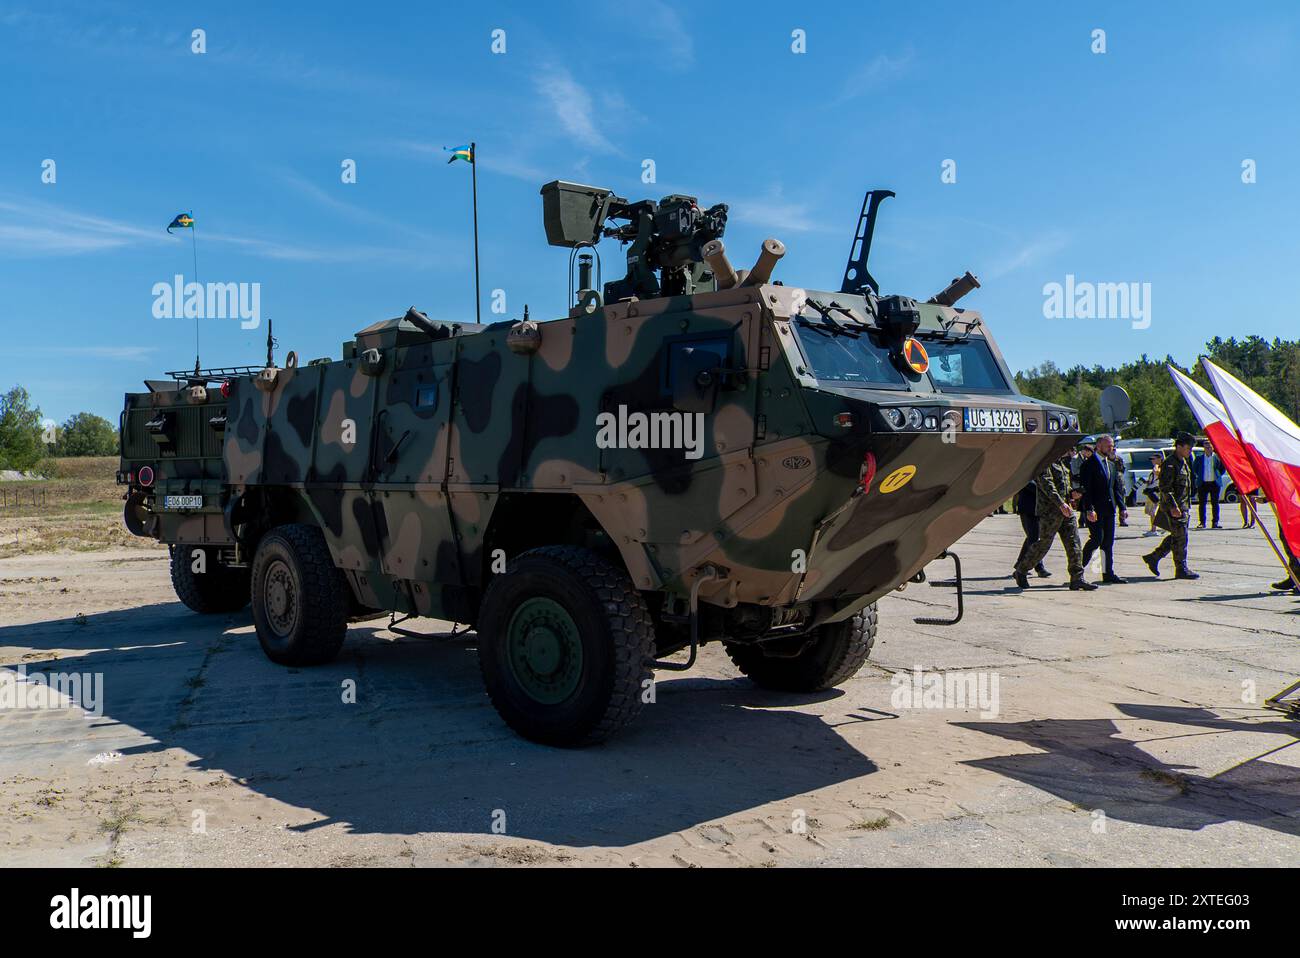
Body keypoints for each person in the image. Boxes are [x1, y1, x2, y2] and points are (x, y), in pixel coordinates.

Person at [1013, 451, 1097, 591]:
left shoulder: (1061, 464)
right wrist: (1060, 503)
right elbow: (1047, 485)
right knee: (1043, 544)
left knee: (1074, 544)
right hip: (1050, 512)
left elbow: (1063, 486)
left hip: (1066, 511)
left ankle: (1077, 578)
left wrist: (1072, 494)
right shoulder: (1045, 463)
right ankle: (1021, 570)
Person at [1143, 432, 1199, 579]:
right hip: (1174, 507)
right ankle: (1181, 569)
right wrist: (1174, 507)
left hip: (1182, 505)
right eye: (1188, 448)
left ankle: (1154, 557)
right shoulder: (1170, 463)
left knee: (1177, 536)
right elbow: (1165, 488)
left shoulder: (1183, 462)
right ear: (1179, 447)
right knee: (1181, 538)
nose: (1190, 451)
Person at [1080, 434, 1128, 583]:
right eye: (1108, 446)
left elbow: (1115, 488)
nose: (1111, 448)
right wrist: (1089, 509)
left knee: (1108, 543)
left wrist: (1122, 507)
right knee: (1096, 540)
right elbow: (1086, 489)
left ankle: (1108, 574)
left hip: (1109, 509)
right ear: (1099, 445)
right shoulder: (1089, 464)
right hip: (1095, 510)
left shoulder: (1111, 465)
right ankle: (1077, 570)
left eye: (1112, 446)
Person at [1013, 479, 1052, 578]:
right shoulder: (1026, 472)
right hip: (1028, 508)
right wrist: (1046, 489)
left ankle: (1020, 564)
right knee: (1034, 538)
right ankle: (1039, 568)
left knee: (1032, 537)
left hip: (1038, 508)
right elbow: (1029, 484)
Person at [1192, 440, 1225, 529]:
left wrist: (1218, 475)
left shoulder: (1217, 458)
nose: (1208, 449)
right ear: (1204, 448)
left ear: (1213, 448)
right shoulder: (1199, 458)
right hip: (1203, 483)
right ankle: (1202, 522)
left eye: (1209, 447)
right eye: (1206, 447)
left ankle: (1215, 522)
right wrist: (1199, 476)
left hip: (1214, 483)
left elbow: (1222, 469)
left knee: (1215, 503)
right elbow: (1195, 469)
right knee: (1202, 504)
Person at [1142, 452, 1164, 535]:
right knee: (1150, 511)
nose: (1152, 461)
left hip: (1155, 492)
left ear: (1159, 459)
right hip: (1151, 491)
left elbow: (1157, 473)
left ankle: (1153, 530)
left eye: (1154, 459)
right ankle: (1158, 528)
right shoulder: (1155, 468)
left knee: (1152, 511)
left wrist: (1156, 465)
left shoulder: (1160, 467)